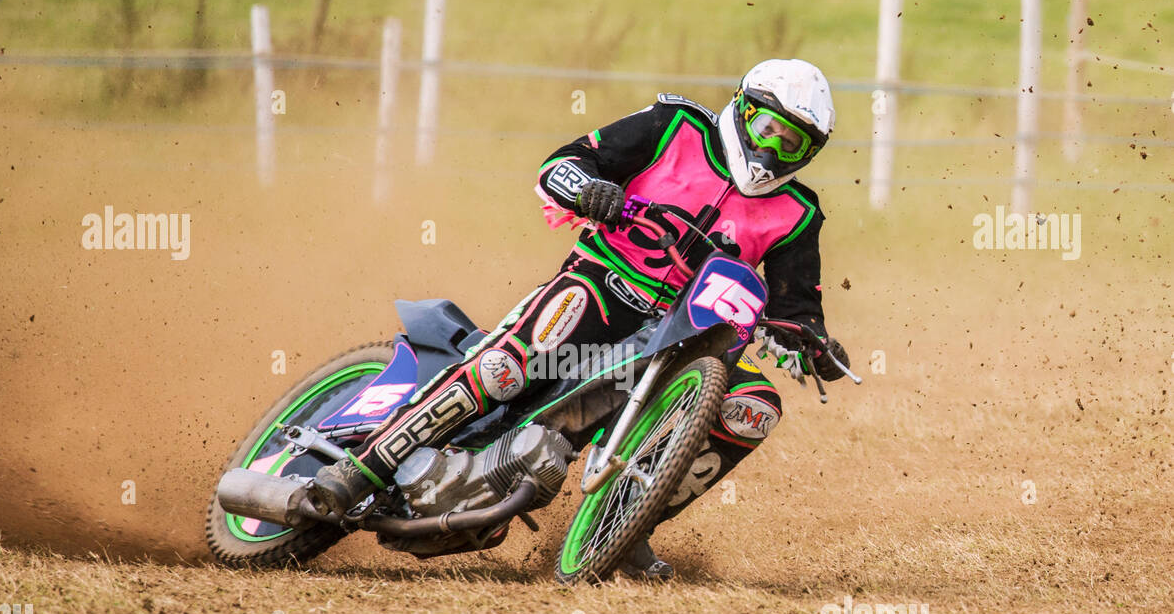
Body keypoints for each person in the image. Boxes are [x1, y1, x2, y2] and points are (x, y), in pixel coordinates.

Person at [310, 58, 850, 580]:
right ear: (741, 106)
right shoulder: (675, 127)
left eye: (793, 141)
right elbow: (564, 162)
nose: (773, 147)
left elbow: (795, 308)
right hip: (603, 287)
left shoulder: (798, 212)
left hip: (688, 336)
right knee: (506, 369)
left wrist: (815, 345)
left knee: (756, 407)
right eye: (769, 126)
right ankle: (361, 469)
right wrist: (591, 189)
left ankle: (628, 520)